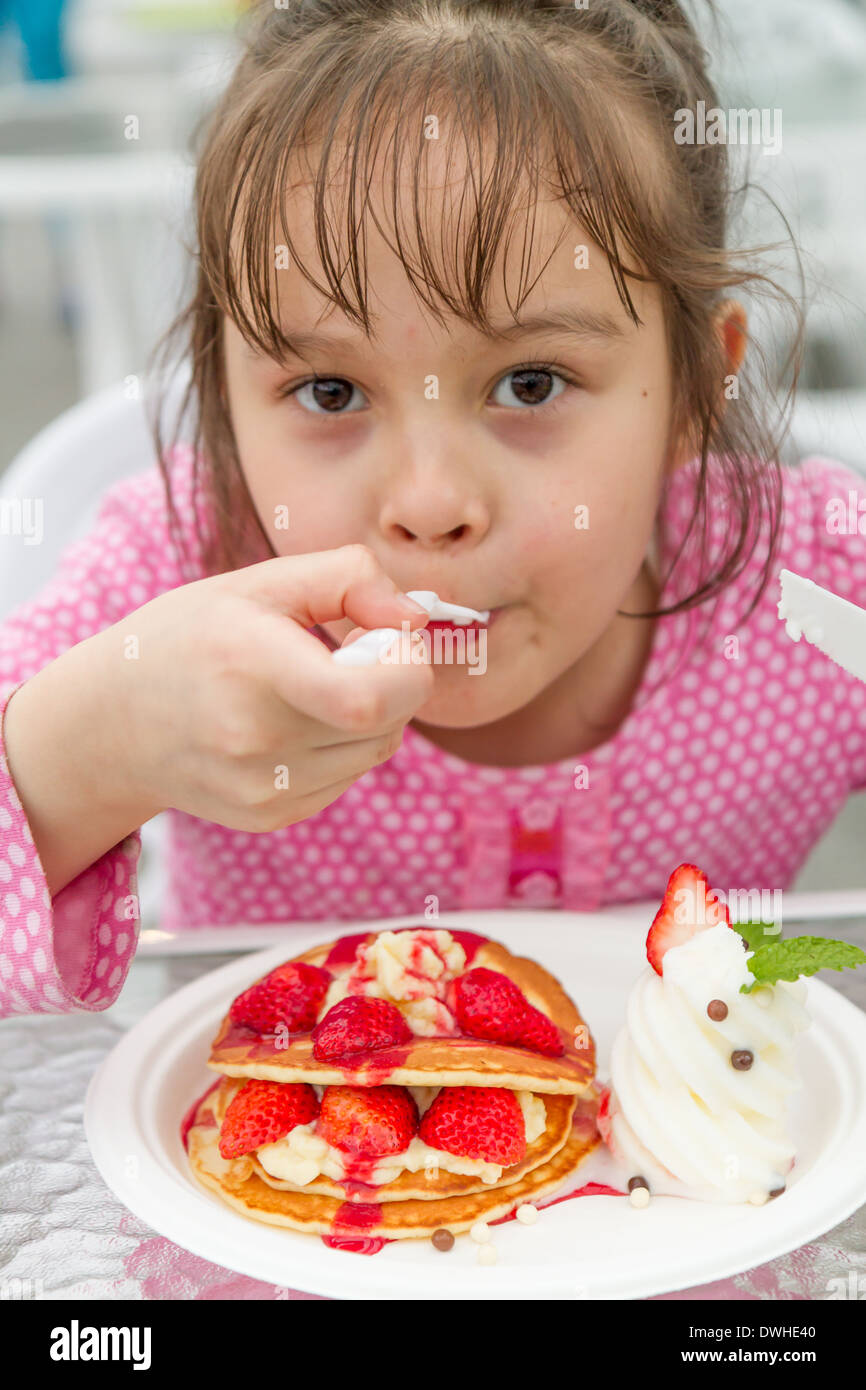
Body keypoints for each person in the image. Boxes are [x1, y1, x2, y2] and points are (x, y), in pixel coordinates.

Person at [2, 0, 865, 1019]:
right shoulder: (180, 562)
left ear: (690, 390)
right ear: (225, 406)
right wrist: (94, 749)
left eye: (531, 384)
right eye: (329, 393)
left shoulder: (809, 576)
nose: (429, 505)